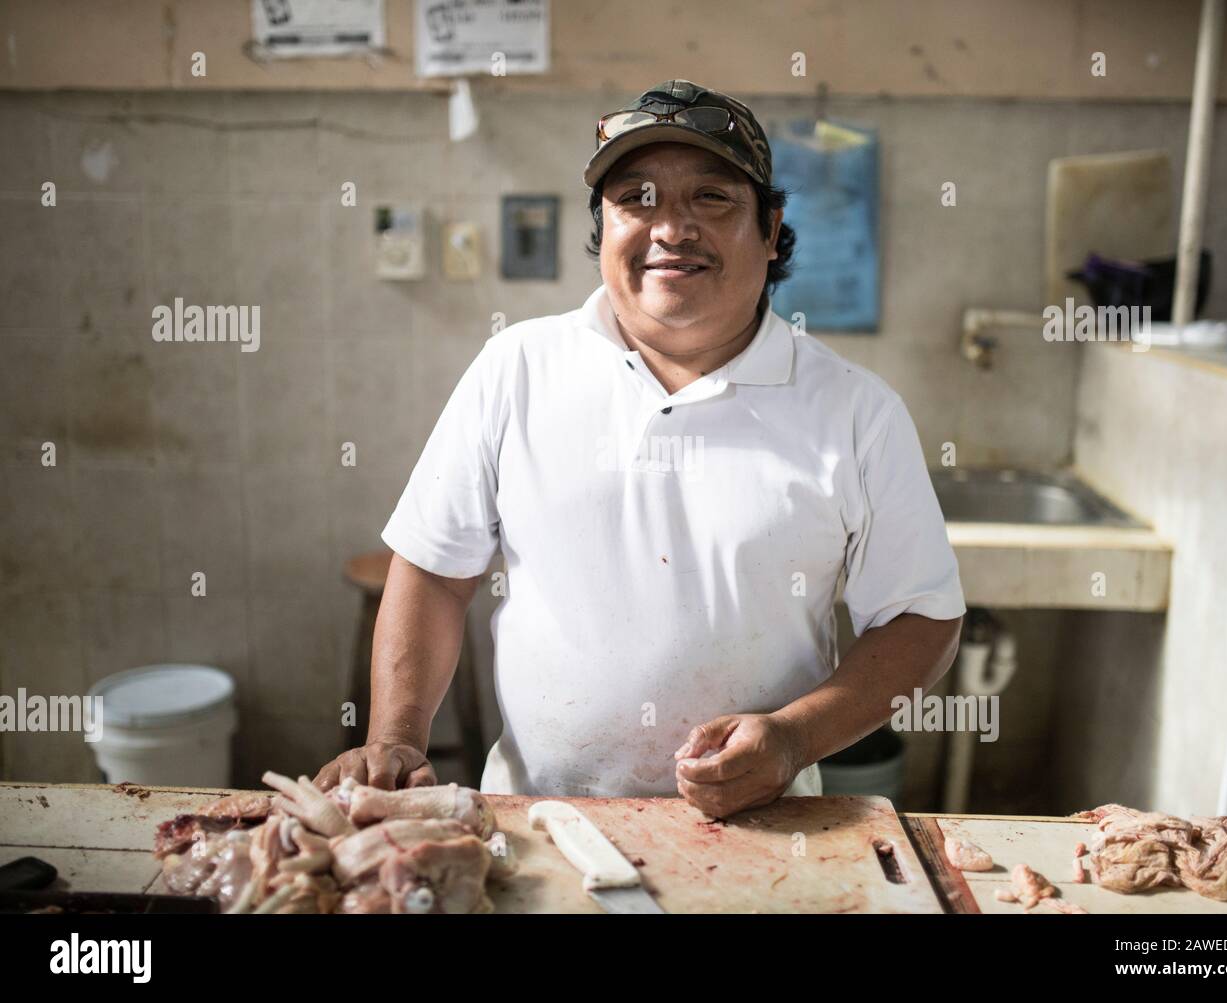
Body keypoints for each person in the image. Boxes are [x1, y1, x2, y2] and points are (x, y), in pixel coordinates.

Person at [314, 80, 965, 817]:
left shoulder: (855, 411)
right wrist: (397, 735)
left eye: (712, 198)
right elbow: (434, 569)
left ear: (772, 227)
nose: (671, 228)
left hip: (766, 829)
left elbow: (923, 618)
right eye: (637, 198)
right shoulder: (517, 368)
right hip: (539, 822)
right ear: (604, 226)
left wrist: (790, 737)